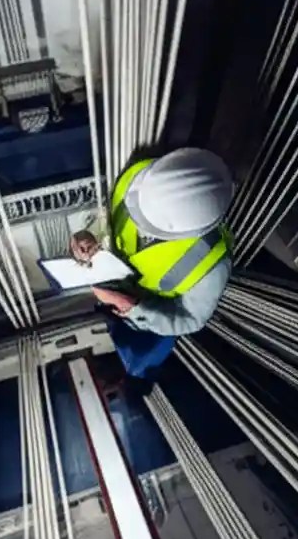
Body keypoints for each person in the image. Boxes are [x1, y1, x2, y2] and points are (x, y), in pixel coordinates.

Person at [70, 147, 233, 381]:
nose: (138, 221)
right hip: (114, 285)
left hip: (142, 310)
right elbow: (108, 219)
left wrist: (131, 307)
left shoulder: (212, 265)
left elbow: (190, 319)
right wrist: (86, 236)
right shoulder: (142, 177)